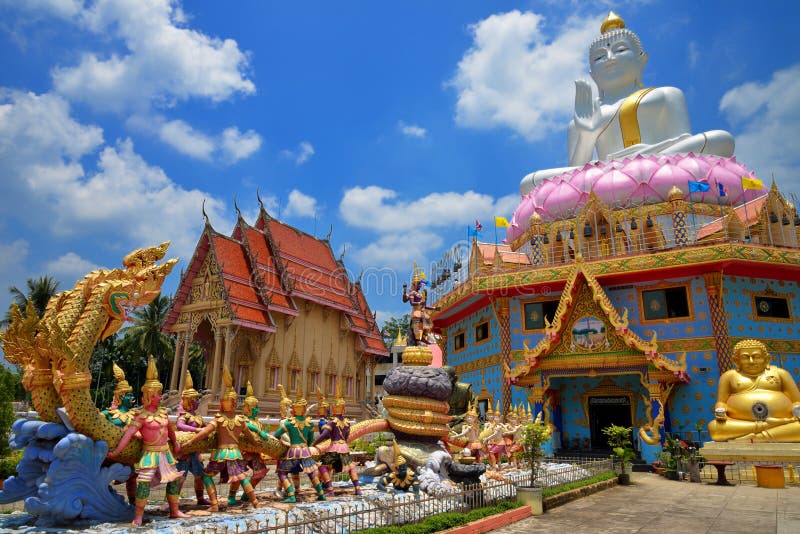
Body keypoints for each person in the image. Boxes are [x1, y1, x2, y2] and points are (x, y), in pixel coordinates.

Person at [520, 11, 734, 195]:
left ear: (642, 60)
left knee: (719, 140)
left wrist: (642, 158)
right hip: (608, 174)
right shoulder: (583, 118)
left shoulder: (666, 95)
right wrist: (587, 135)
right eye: (599, 57)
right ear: (592, 74)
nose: (610, 58)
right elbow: (576, 173)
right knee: (530, 182)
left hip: (658, 167)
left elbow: (685, 151)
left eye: (620, 50)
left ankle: (629, 172)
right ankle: (626, 174)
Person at [108, 356, 187, 526]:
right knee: (143, 484)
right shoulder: (141, 416)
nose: (161, 396)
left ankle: (174, 511)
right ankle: (138, 516)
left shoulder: (163, 413)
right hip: (150, 454)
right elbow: (128, 435)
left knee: (174, 480)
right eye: (158, 394)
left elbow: (170, 430)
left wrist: (176, 443)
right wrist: (116, 452)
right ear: (150, 396)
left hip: (165, 452)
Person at [184, 366, 261, 510]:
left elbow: (204, 433)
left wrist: (190, 441)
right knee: (242, 477)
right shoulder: (240, 420)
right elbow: (251, 437)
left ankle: (214, 504)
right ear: (235, 403)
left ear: (223, 403)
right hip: (235, 453)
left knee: (207, 476)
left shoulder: (219, 419)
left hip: (221, 453)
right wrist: (257, 443)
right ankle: (255, 502)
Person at [708, 339, 800, 442]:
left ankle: (754, 438)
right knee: (714, 428)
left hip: (782, 420)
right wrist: (720, 410)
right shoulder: (729, 376)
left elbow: (797, 401)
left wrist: (797, 410)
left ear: (766, 359)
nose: (751, 361)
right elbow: (721, 402)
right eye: (745, 357)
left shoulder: (780, 373)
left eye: (757, 357)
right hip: (745, 424)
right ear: (736, 361)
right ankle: (769, 428)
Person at [250, 383, 326, 503]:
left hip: (293, 451)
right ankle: (321, 494)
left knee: (282, 472)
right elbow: (310, 439)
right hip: (306, 451)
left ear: (294, 409)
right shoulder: (310, 423)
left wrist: (282, 443)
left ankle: (291, 495)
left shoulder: (289, 423)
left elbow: (276, 435)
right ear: (304, 409)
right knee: (311, 473)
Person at [313, 379, 361, 496]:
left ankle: (330, 490)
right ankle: (358, 489)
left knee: (322, 467)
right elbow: (347, 436)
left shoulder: (332, 422)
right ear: (343, 409)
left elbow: (324, 435)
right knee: (350, 468)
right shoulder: (347, 422)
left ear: (334, 409)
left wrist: (314, 443)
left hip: (334, 447)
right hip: (344, 447)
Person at [228, 381, 269, 505]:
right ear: (248, 408)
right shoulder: (241, 419)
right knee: (238, 476)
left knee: (260, 473)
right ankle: (231, 496)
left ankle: (247, 494)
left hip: (255, 452)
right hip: (242, 451)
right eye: (254, 407)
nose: (257, 410)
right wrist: (258, 431)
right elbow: (245, 425)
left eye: (257, 407)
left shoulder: (258, 422)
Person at [174, 370, 210, 506]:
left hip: (195, 452)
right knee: (180, 478)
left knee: (199, 476)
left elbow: (207, 428)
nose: (197, 401)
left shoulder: (198, 417)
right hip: (184, 451)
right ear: (188, 401)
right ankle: (173, 501)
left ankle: (200, 498)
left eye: (197, 399)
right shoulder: (184, 415)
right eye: (194, 399)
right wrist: (197, 430)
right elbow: (180, 425)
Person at [402, 263, 438, 346]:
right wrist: (405, 291)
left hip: (422, 312)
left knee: (430, 324)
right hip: (416, 312)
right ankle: (418, 341)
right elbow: (411, 303)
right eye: (418, 284)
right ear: (414, 284)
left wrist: (434, 308)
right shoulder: (412, 293)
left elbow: (424, 306)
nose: (420, 286)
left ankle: (424, 337)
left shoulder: (421, 294)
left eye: (420, 284)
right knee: (416, 327)